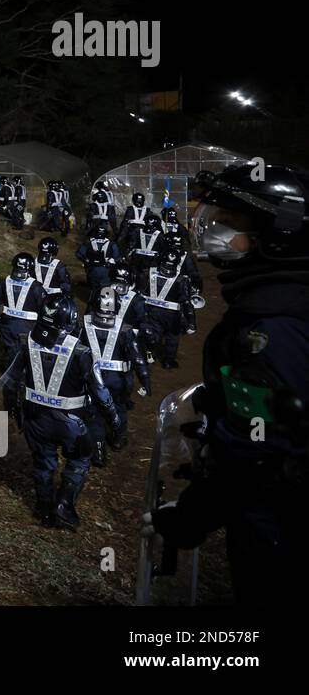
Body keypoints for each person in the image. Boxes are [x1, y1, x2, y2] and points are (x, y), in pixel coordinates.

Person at [141, 163, 309, 603]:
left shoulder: (270, 328)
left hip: (279, 523)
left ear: (278, 235)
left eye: (231, 222)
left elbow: (258, 454)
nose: (214, 230)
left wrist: (189, 518)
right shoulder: (288, 301)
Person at [0, 295, 123, 528]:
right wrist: (113, 417)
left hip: (35, 418)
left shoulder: (25, 342)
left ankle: (44, 508)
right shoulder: (82, 352)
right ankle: (63, 504)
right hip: (71, 422)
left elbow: (10, 382)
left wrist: (12, 409)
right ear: (70, 321)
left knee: (43, 463)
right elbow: (100, 392)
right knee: (80, 459)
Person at [79, 286, 149, 465]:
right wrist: (145, 379)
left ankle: (98, 450)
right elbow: (137, 357)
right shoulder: (125, 330)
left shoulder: (82, 325)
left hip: (92, 380)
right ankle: (118, 439)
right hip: (118, 380)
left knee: (94, 414)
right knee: (119, 408)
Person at [137, 246, 196, 369]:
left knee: (153, 335)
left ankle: (150, 354)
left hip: (151, 311)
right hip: (172, 315)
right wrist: (191, 322)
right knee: (172, 337)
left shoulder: (148, 272)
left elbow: (139, 292)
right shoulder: (181, 279)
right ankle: (168, 361)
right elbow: (186, 301)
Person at [0, 253, 44, 370]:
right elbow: (44, 309)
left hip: (6, 326)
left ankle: (10, 370)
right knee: (26, 353)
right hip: (28, 328)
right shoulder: (36, 287)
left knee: (10, 350)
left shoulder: (4, 283)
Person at [75, 219, 122, 293]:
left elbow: (79, 254)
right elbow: (118, 258)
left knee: (93, 291)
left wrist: (85, 260)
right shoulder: (112, 244)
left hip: (92, 271)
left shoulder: (88, 242)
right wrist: (112, 261)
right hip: (107, 273)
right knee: (106, 292)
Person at [127, 211, 166, 276]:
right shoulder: (160, 235)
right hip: (143, 260)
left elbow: (131, 244)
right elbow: (131, 244)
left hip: (148, 260)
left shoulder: (137, 231)